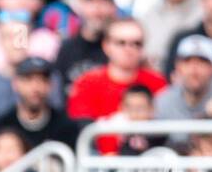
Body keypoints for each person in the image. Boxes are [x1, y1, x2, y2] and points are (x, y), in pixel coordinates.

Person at [68, 18, 168, 152]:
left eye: (137, 43)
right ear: (106, 46)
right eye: (121, 43)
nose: (129, 49)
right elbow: (80, 130)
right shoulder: (86, 83)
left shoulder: (158, 83)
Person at [0, 56, 84, 151]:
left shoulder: (65, 127)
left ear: (50, 85)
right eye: (28, 79)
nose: (35, 87)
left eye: (42, 80)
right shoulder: (2, 126)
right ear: (15, 84)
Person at [154, 35, 212, 144]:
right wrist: (207, 116)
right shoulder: (163, 101)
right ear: (177, 66)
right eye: (187, 61)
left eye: (202, 61)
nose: (194, 69)